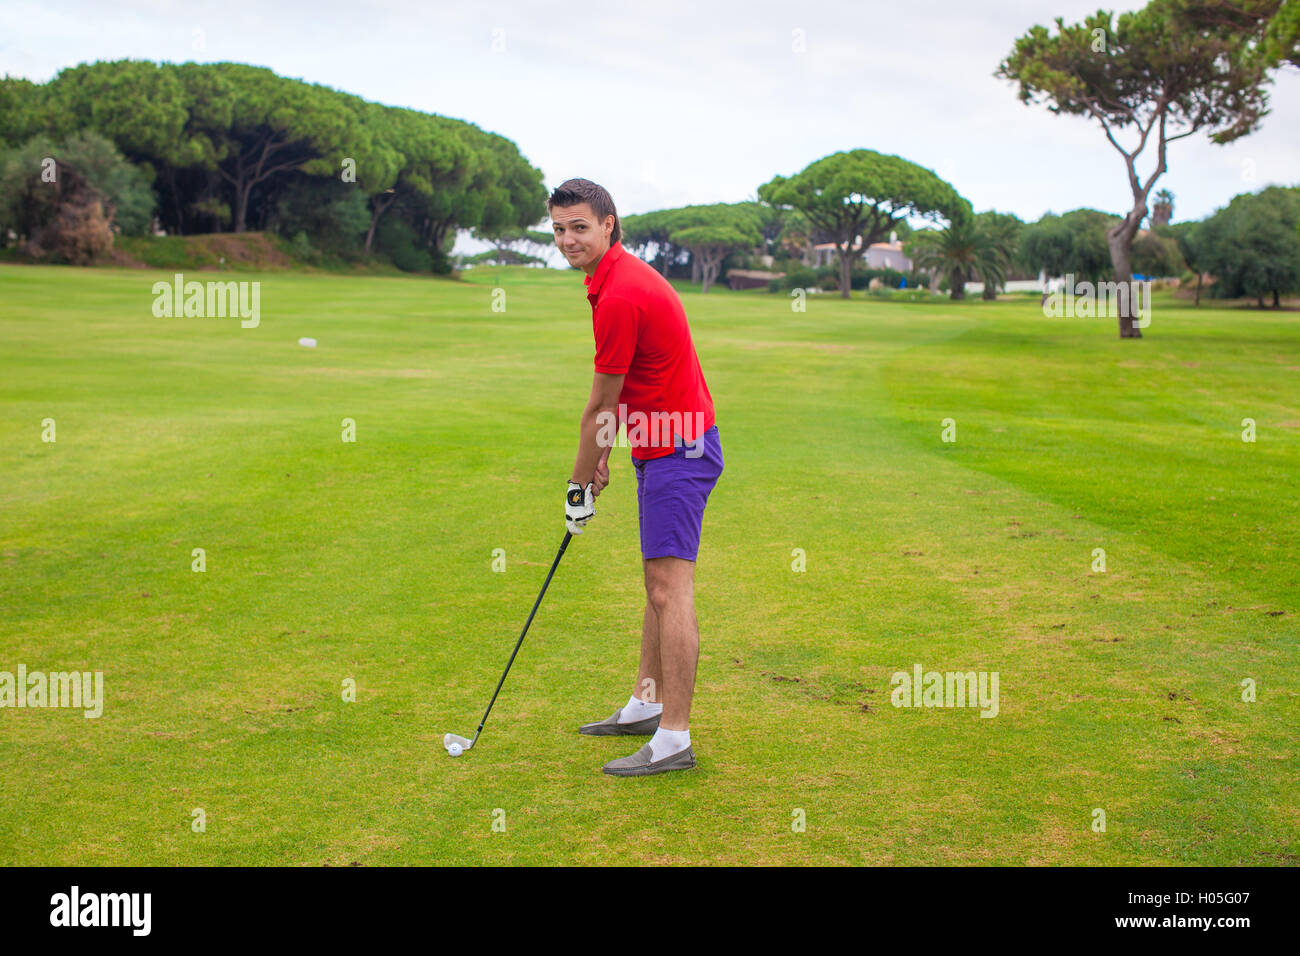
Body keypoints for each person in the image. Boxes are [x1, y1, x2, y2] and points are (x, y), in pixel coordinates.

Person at [550, 178, 724, 777]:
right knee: (656, 586)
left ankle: (674, 739)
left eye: (579, 227)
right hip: (659, 444)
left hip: (681, 449)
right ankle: (645, 705)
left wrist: (577, 488)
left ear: (609, 225)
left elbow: (599, 406)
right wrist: (603, 454)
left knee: (668, 590)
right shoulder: (611, 279)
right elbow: (624, 395)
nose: (568, 239)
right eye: (558, 228)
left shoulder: (620, 292)